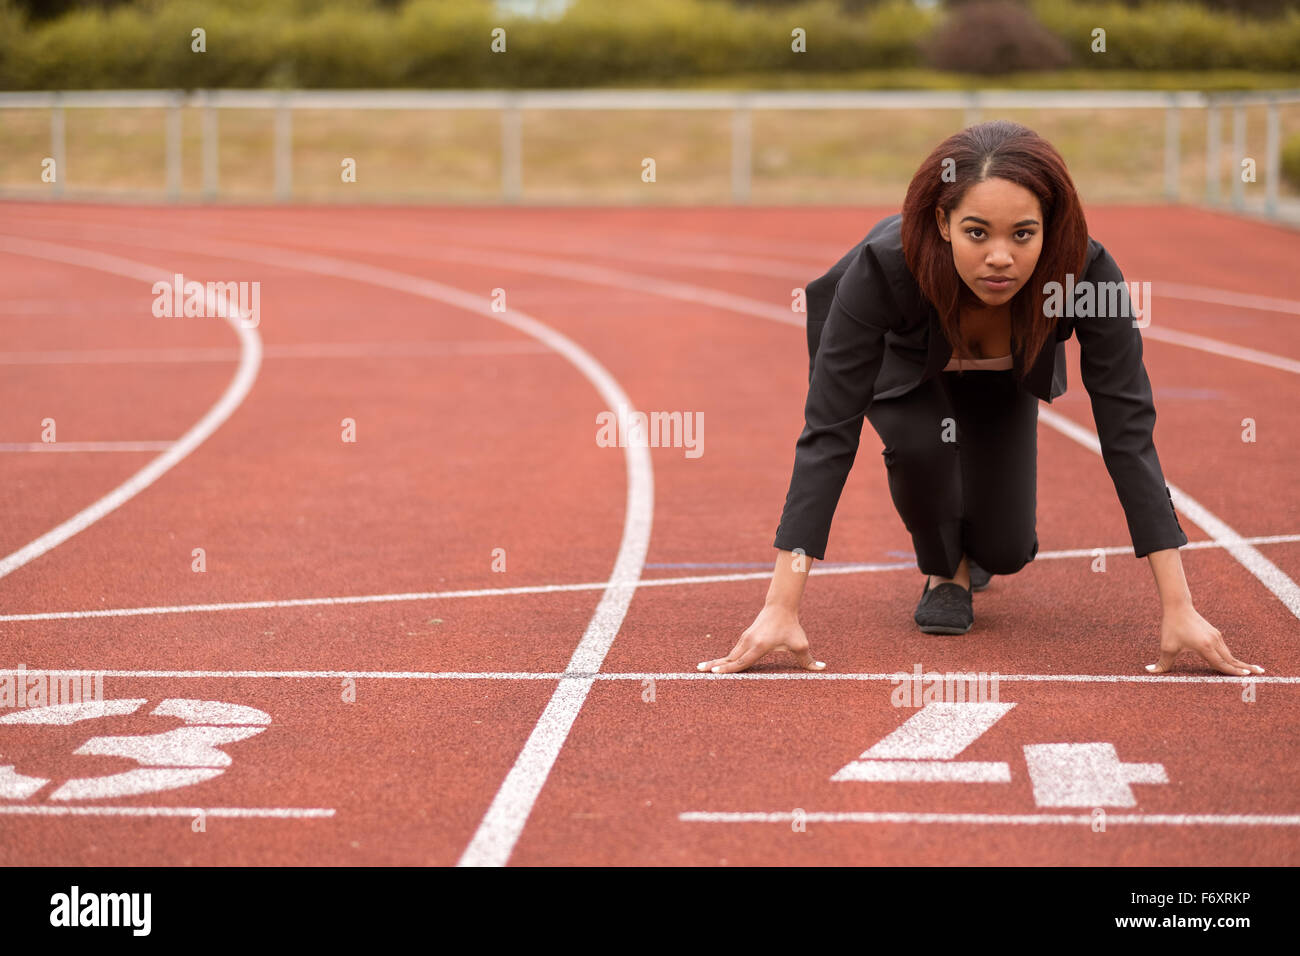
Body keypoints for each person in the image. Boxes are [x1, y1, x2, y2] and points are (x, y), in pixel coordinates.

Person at [698, 120, 1264, 678]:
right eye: (977, 233)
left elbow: (1126, 428)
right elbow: (828, 434)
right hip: (905, 365)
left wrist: (1179, 607)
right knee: (924, 448)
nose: (1000, 257)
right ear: (942, 223)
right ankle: (946, 572)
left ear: (1049, 227)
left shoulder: (1085, 276)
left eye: (1022, 234)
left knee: (1008, 548)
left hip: (1003, 378)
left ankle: (979, 551)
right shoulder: (885, 270)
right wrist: (780, 607)